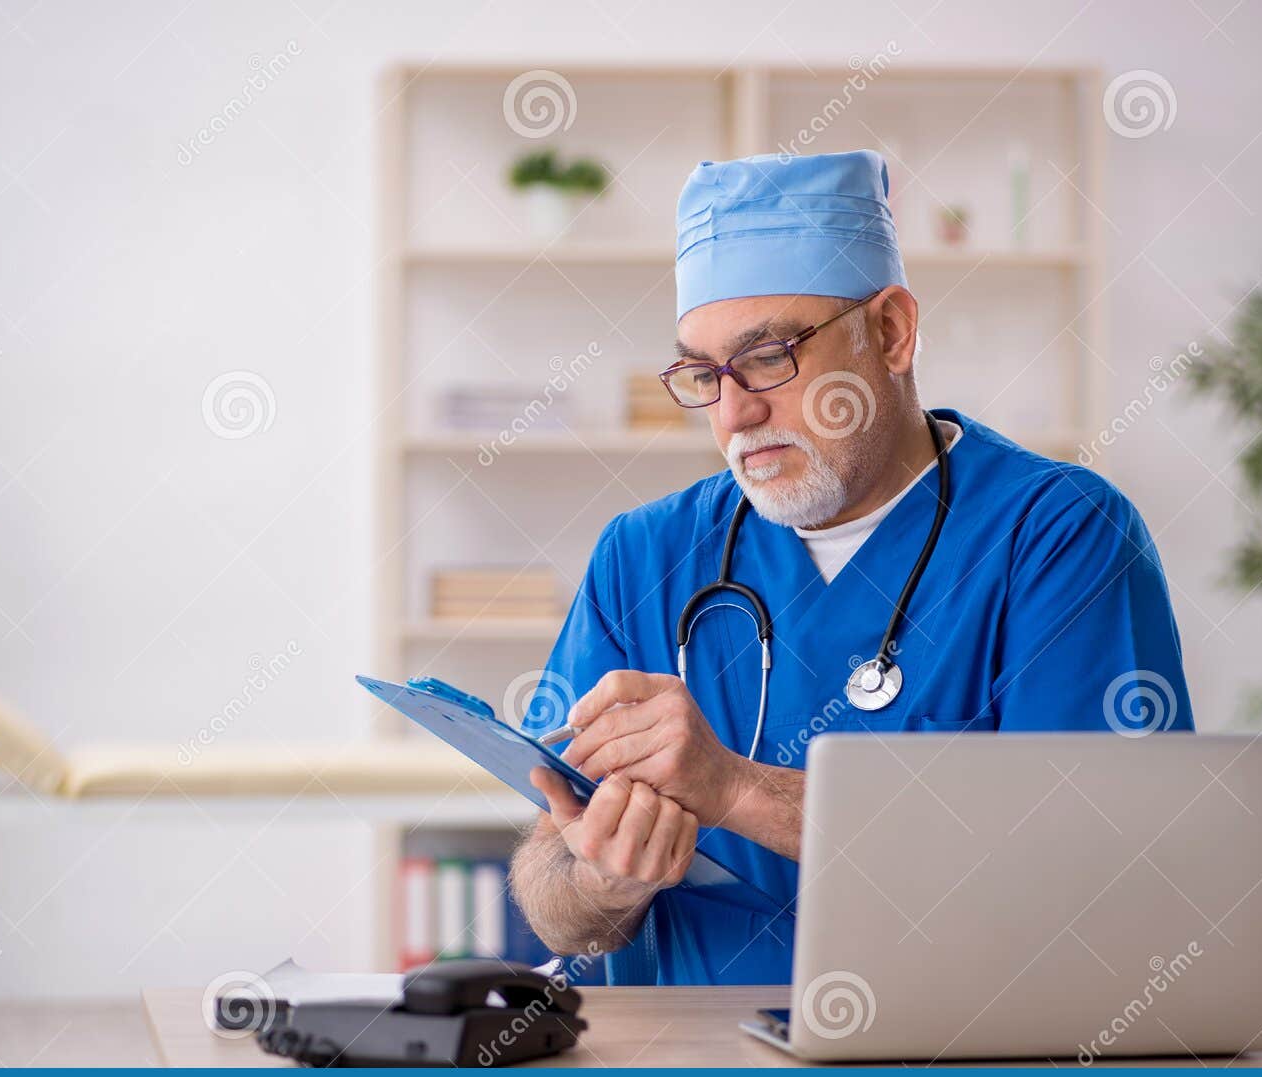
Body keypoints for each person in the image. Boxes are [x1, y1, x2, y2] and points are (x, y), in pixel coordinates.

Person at [508, 149, 1193, 985]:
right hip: (679, 1069)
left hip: (954, 1068)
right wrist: (601, 881)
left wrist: (731, 789)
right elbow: (550, 889)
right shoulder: (644, 555)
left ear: (892, 332)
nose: (735, 413)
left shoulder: (1055, 538)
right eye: (704, 373)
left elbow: (1096, 882)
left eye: (768, 357)